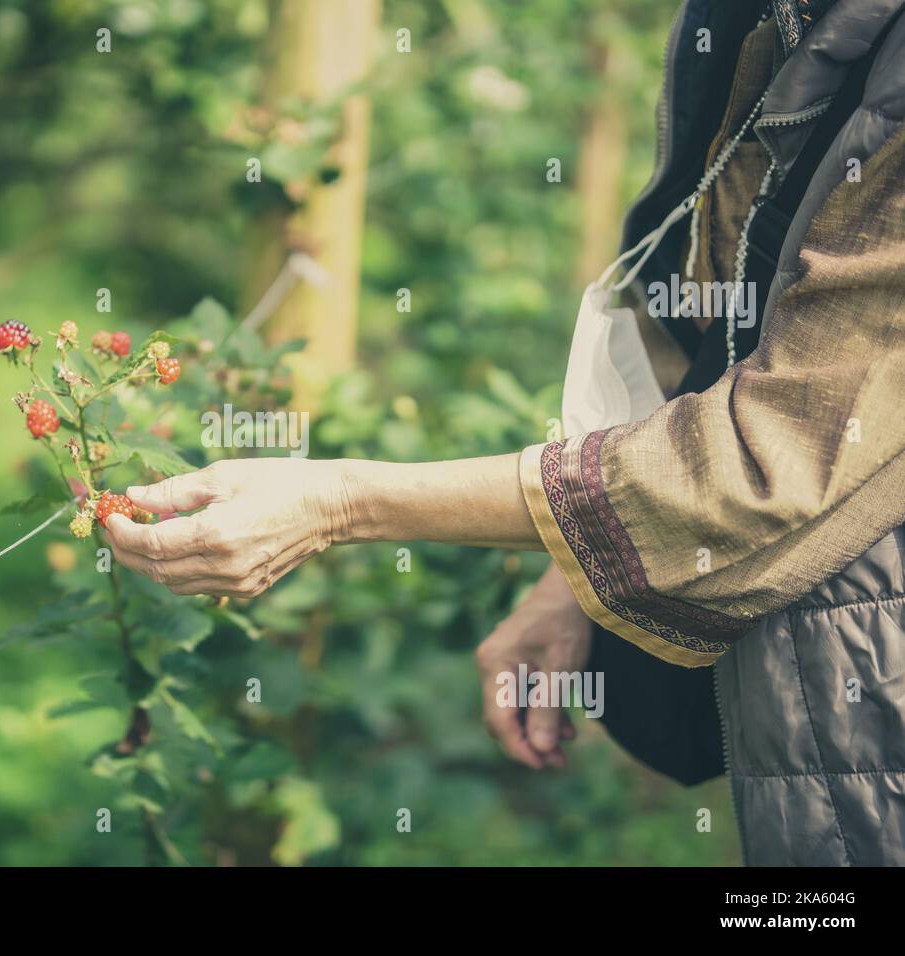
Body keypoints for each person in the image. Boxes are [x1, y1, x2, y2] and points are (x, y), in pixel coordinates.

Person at [106, 0, 905, 865]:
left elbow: (771, 454)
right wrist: (574, 575)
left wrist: (337, 502)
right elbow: (731, 333)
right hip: (815, 692)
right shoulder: (759, 21)